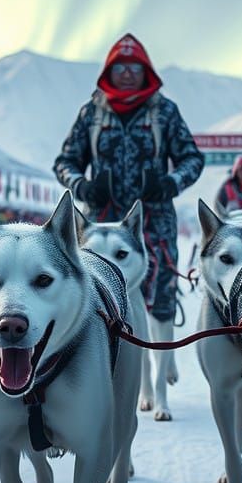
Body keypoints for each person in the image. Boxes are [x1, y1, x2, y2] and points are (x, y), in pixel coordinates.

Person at [53, 32, 204, 326]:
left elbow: (193, 159)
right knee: (96, 297)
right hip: (98, 227)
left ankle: (159, 369)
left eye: (134, 68)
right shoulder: (91, 113)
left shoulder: (165, 112)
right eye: (119, 67)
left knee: (161, 301)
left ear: (145, 71)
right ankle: (107, 362)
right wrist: (82, 186)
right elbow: (65, 162)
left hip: (154, 225)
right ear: (108, 71)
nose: (126, 74)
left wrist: (170, 184)